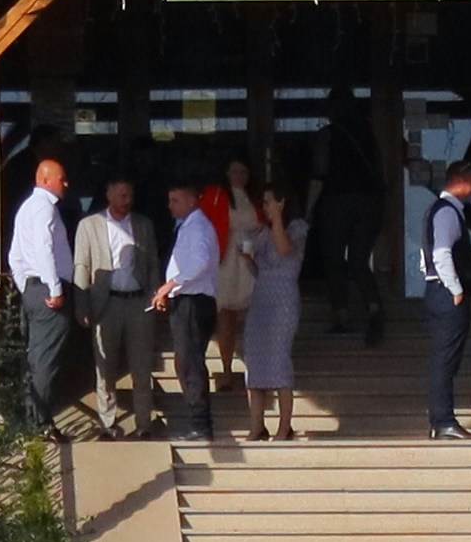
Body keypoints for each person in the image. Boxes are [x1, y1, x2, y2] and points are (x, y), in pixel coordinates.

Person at [418, 159, 471, 438]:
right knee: (445, 359)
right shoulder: (447, 212)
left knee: (446, 358)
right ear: (460, 182)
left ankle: (440, 419)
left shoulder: (440, 211)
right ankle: (442, 420)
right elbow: (441, 253)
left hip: (439, 290)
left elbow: (427, 254)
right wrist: (456, 289)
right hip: (445, 293)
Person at [77, 176, 157, 429]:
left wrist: (154, 296)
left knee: (142, 367)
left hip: (138, 303)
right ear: (109, 194)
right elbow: (82, 266)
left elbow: (153, 263)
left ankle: (144, 423)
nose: (127, 201)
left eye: (129, 195)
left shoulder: (143, 224)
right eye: (121, 195)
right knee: (105, 367)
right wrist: (82, 305)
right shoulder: (90, 225)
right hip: (106, 303)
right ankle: (107, 421)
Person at [7, 154, 80, 425]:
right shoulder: (44, 208)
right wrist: (54, 287)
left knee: (37, 356)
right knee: (46, 359)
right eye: (61, 179)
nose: (66, 184)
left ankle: (33, 418)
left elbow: (15, 255)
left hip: (34, 288)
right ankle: (40, 423)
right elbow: (43, 248)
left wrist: (24, 284)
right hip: (47, 290)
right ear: (45, 179)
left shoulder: (27, 207)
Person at [232, 171, 305, 438]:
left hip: (284, 298)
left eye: (268, 202)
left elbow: (285, 250)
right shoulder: (261, 232)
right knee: (256, 359)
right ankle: (256, 425)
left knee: (279, 359)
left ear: (282, 202)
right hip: (262, 297)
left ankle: (284, 426)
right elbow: (258, 268)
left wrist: (276, 219)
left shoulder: (296, 227)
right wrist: (247, 258)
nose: (264, 207)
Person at [156, 178, 227, 443]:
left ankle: (201, 423)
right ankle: (197, 420)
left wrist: (171, 284)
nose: (170, 206)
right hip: (187, 298)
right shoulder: (189, 227)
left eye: (175, 201)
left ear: (190, 200)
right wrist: (170, 290)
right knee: (186, 361)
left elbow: (200, 262)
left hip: (194, 301)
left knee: (191, 363)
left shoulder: (197, 227)